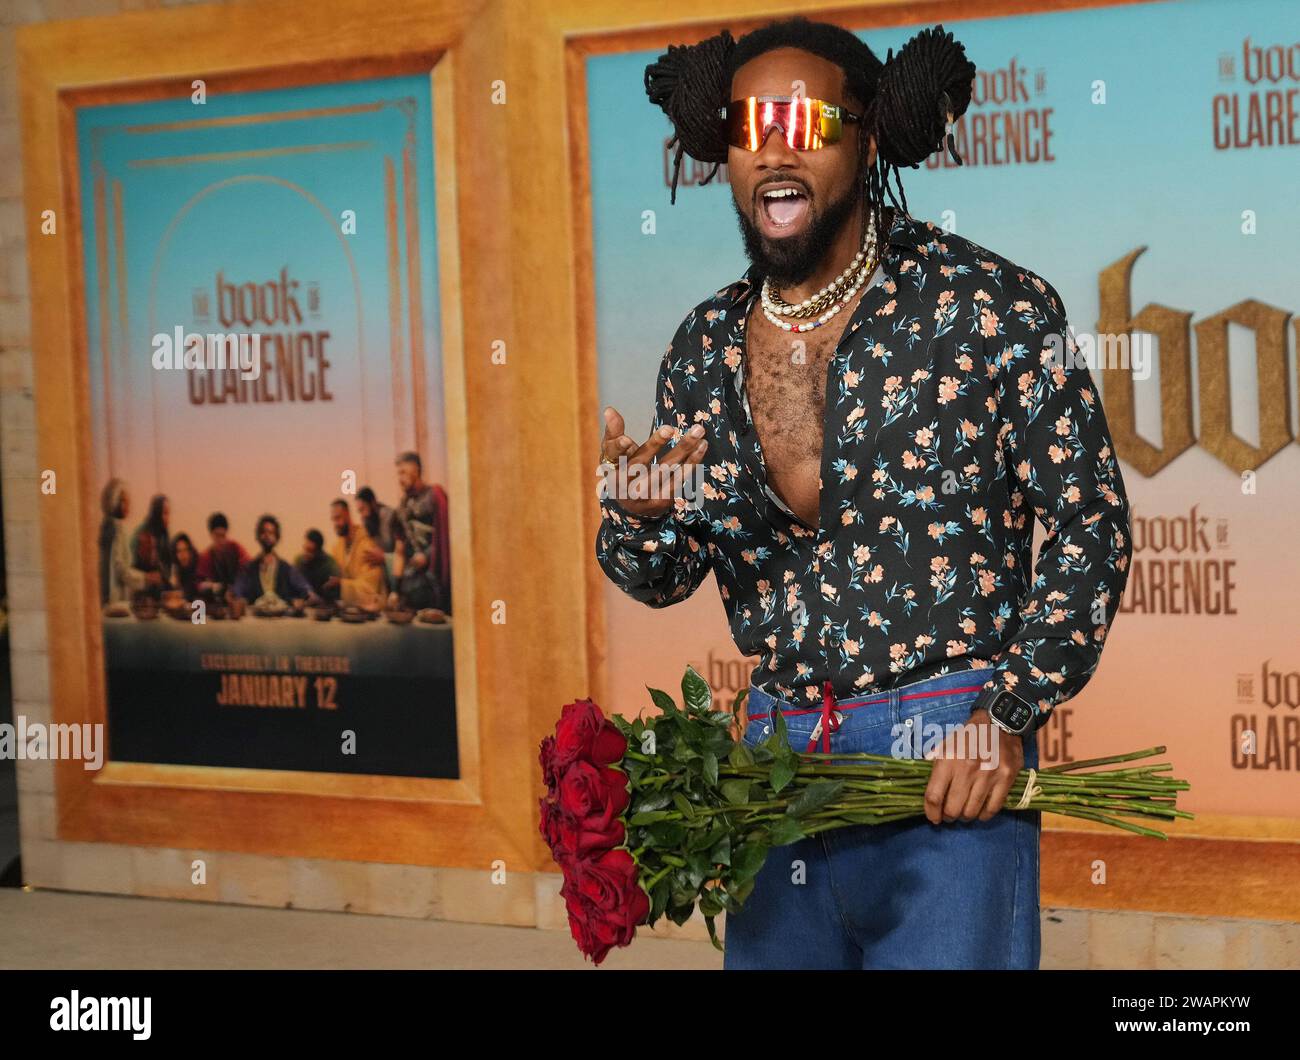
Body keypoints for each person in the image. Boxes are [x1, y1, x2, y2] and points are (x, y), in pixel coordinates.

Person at [597, 18, 1132, 970]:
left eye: (806, 120)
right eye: (749, 124)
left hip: (946, 758)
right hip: (773, 767)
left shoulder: (989, 308)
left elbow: (1091, 523)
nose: (773, 144)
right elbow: (664, 575)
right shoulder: (702, 347)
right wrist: (638, 516)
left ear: (872, 134)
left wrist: (1007, 716)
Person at [390, 452, 450, 612]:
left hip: (437, 577)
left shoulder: (435, 495)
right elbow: (399, 551)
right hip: (414, 582)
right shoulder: (402, 508)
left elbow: (447, 536)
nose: (400, 478)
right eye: (398, 473)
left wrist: (427, 555)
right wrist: (395, 590)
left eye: (403, 472)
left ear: (416, 469)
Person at [234, 514, 315, 606]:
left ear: (277, 537)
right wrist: (238, 598)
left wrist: (308, 596)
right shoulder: (250, 568)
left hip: (282, 617)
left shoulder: (286, 568)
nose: (267, 536)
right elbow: (238, 589)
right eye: (263, 532)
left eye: (271, 533)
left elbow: (304, 587)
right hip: (256, 616)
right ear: (258, 536)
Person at [326, 498, 384, 606]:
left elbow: (370, 585)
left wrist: (342, 586)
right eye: (333, 519)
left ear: (348, 515)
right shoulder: (337, 548)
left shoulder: (367, 543)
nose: (335, 524)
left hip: (372, 608)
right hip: (348, 609)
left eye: (338, 518)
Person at [97, 478, 146, 604]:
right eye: (123, 500)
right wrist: (146, 578)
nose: (128, 504)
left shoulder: (106, 525)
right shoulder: (116, 528)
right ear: (113, 501)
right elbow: (120, 570)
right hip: (114, 599)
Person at [196, 512, 250, 601]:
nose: (220, 540)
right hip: (215, 599)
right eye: (217, 536)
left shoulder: (235, 548)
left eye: (223, 536)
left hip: (237, 596)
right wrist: (212, 586)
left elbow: (248, 568)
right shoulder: (206, 556)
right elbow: (199, 583)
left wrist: (235, 589)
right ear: (211, 535)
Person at [130, 494, 172, 599]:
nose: (168, 518)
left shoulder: (164, 534)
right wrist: (147, 577)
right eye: (165, 513)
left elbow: (167, 564)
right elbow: (130, 567)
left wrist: (163, 575)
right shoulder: (141, 533)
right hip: (141, 589)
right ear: (156, 514)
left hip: (160, 588)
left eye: (168, 513)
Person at [294, 528, 341, 603]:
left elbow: (336, 593)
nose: (306, 554)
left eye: (310, 551)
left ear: (319, 552)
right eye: (305, 549)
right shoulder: (299, 561)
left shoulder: (330, 564)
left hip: (325, 607)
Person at [356, 486, 398, 555]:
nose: (362, 516)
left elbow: (395, 550)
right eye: (360, 511)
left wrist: (384, 557)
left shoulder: (389, 516)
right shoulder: (367, 521)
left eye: (363, 509)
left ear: (373, 503)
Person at [169, 532, 201, 600]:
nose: (183, 555)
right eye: (179, 551)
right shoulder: (176, 569)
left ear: (190, 551)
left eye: (185, 550)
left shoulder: (199, 567)